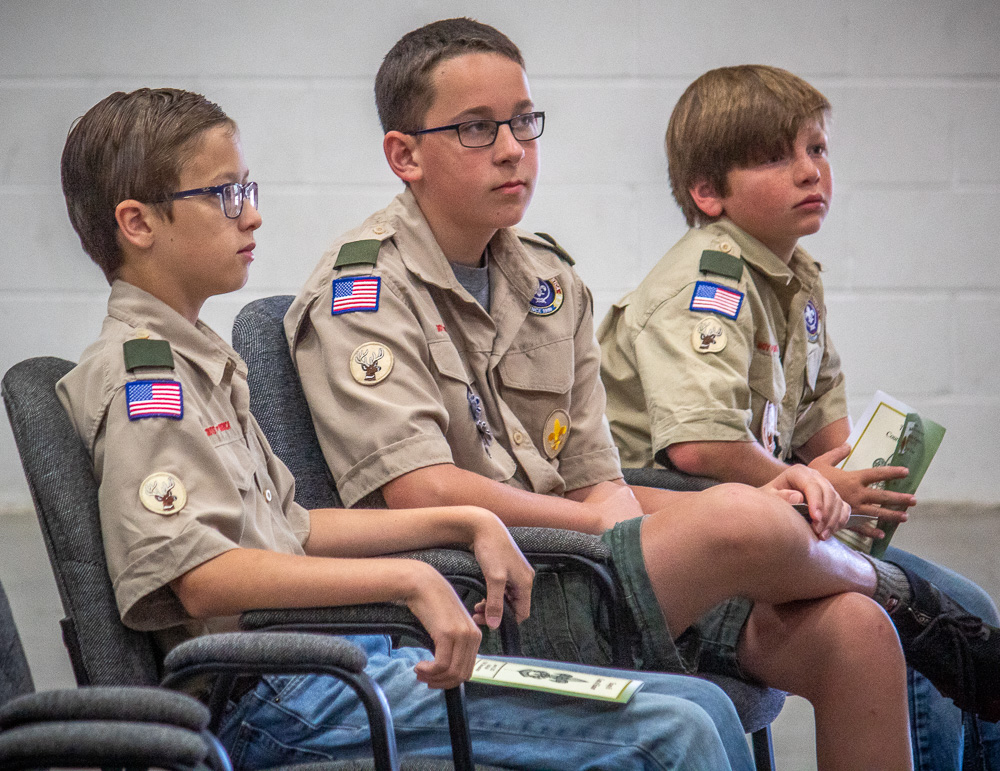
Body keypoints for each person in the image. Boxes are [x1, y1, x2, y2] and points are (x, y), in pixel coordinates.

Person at [286, 17, 1000, 769]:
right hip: (482, 599)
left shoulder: (549, 281)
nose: (512, 148)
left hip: (581, 569)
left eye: (524, 121)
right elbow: (421, 488)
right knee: (744, 515)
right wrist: (614, 523)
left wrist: (638, 521)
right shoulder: (362, 291)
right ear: (405, 154)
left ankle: (887, 604)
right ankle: (904, 596)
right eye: (475, 128)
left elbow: (597, 477)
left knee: (853, 632)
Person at [54, 85, 767, 771]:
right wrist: (407, 577)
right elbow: (204, 579)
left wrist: (465, 520)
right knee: (674, 730)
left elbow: (292, 528)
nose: (253, 216)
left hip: (341, 661)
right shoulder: (146, 384)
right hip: (280, 693)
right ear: (138, 223)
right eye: (224, 194)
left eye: (248, 190)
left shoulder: (196, 358)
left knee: (701, 704)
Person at [596, 64, 1000, 769]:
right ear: (709, 192)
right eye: (776, 157)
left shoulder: (795, 278)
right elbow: (700, 445)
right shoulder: (707, 282)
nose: (810, 171)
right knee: (918, 628)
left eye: (816, 149)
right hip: (681, 527)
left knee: (972, 610)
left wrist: (857, 484)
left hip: (772, 511)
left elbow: (821, 422)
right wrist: (814, 485)